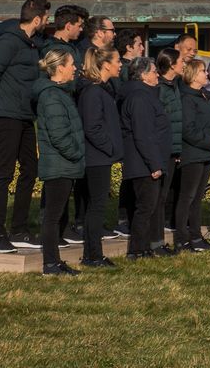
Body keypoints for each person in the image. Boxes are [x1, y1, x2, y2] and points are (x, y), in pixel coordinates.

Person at [0, 0, 50, 253]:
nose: (48, 22)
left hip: (24, 115)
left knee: (31, 169)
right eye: (46, 18)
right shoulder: (9, 41)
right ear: (37, 19)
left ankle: (19, 230)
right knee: (4, 173)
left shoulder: (32, 44)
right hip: (6, 115)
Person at [33, 47, 84, 276]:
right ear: (60, 68)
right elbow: (59, 135)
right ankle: (50, 264)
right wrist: (76, 153)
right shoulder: (51, 96)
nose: (75, 68)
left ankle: (54, 262)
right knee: (52, 217)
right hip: (59, 164)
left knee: (55, 215)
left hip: (64, 164)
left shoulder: (60, 93)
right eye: (72, 64)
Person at [119, 56, 172, 259]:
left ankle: (144, 247)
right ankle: (137, 250)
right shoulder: (139, 98)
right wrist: (155, 164)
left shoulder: (143, 95)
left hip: (145, 161)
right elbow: (143, 134)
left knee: (147, 206)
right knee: (145, 207)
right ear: (142, 75)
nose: (157, 74)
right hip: (143, 163)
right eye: (153, 71)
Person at [76, 46, 124, 268]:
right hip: (96, 159)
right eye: (117, 61)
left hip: (99, 157)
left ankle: (92, 253)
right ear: (105, 64)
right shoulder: (93, 92)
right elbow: (92, 127)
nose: (120, 65)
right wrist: (110, 148)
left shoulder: (101, 90)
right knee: (96, 207)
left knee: (94, 207)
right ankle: (93, 255)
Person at [176, 59, 210, 252]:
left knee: (197, 198)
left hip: (206, 153)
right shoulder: (187, 98)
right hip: (193, 154)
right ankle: (182, 238)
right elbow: (189, 130)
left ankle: (195, 236)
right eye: (203, 71)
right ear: (194, 75)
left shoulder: (203, 96)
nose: (207, 74)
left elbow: (209, 123)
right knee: (187, 197)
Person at [155, 48, 185, 231]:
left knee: (166, 193)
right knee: (159, 194)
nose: (184, 64)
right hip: (163, 149)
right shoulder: (160, 89)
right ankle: (155, 233)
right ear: (172, 65)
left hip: (173, 149)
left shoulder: (174, 85)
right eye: (181, 61)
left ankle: (161, 227)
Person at [46, 5, 88, 72]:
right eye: (79, 26)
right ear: (68, 26)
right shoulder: (54, 50)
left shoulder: (71, 46)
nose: (81, 29)